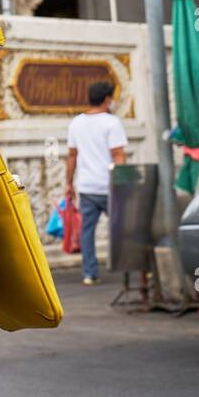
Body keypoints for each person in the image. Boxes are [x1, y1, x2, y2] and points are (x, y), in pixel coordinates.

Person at [65, 81, 128, 286]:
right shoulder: (112, 123)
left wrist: (69, 183)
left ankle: (90, 273)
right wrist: (123, 182)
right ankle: (128, 269)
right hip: (109, 186)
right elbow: (118, 156)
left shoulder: (76, 123)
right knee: (122, 228)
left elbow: (72, 156)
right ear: (107, 99)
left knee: (87, 231)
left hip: (87, 186)